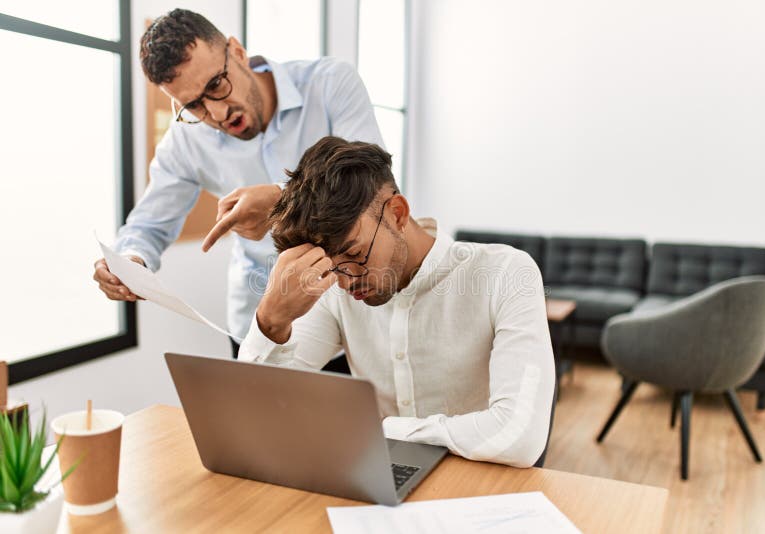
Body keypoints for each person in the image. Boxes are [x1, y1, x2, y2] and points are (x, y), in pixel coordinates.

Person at [239, 137, 556, 467]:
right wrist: (271, 320)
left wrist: (377, 430)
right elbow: (261, 411)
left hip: (481, 477)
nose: (345, 281)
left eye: (355, 253)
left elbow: (519, 436)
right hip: (379, 476)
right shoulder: (336, 282)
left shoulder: (505, 272)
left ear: (398, 214)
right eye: (331, 266)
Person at [91, 9, 383, 356]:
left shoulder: (330, 83)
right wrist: (129, 262)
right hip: (255, 324)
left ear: (239, 52)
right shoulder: (185, 141)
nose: (217, 114)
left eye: (216, 85)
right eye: (194, 105)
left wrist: (283, 201)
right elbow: (148, 224)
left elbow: (372, 182)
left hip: (347, 312)